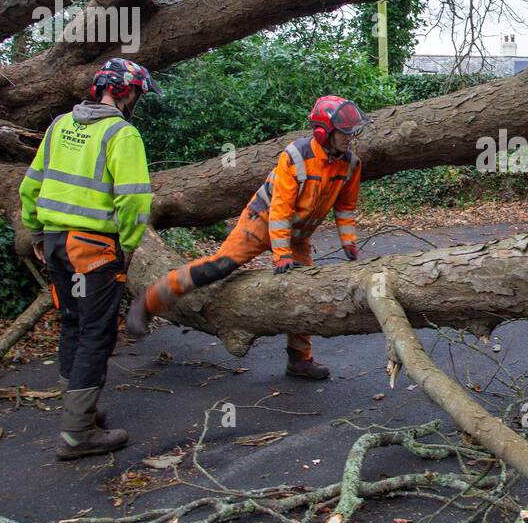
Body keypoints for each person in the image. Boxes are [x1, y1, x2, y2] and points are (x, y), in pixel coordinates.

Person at [126, 95, 368, 380]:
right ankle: (150, 301)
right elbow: (280, 208)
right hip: (262, 221)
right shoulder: (296, 156)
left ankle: (300, 360)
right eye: (345, 131)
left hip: (299, 235)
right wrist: (281, 255)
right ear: (323, 131)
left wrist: (348, 240)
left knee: (303, 289)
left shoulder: (350, 164)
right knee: (219, 266)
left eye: (353, 131)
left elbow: (345, 205)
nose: (351, 137)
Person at [19, 57, 161, 461]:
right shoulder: (122, 133)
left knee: (72, 323)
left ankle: (82, 409)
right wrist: (129, 245)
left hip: (57, 244)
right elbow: (134, 199)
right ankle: (77, 433)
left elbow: (31, 184)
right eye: (136, 93)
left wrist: (37, 232)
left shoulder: (60, 124)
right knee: (97, 332)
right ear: (124, 91)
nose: (136, 100)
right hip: (94, 248)